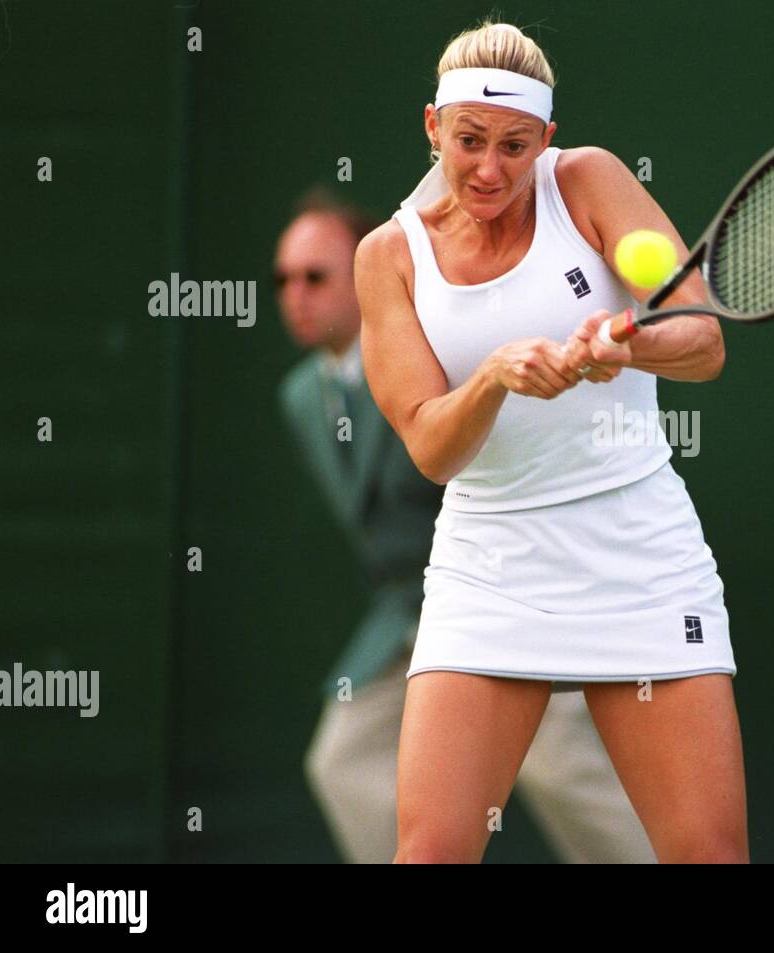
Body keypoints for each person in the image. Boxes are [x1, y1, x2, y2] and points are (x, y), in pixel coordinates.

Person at [354, 20, 749, 864]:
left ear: (547, 140)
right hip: (491, 565)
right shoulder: (387, 256)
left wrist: (629, 341)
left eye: (515, 145)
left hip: (638, 550)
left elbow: (705, 341)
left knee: (708, 856)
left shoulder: (591, 183)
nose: (491, 169)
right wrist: (495, 374)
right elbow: (430, 446)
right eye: (469, 142)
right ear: (432, 128)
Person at [274, 189, 656, 863]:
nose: (296, 294)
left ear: (363, 278)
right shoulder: (303, 396)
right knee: (341, 759)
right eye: (283, 280)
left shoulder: (432, 349)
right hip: (405, 622)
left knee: (558, 766)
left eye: (315, 276)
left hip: (506, 590)